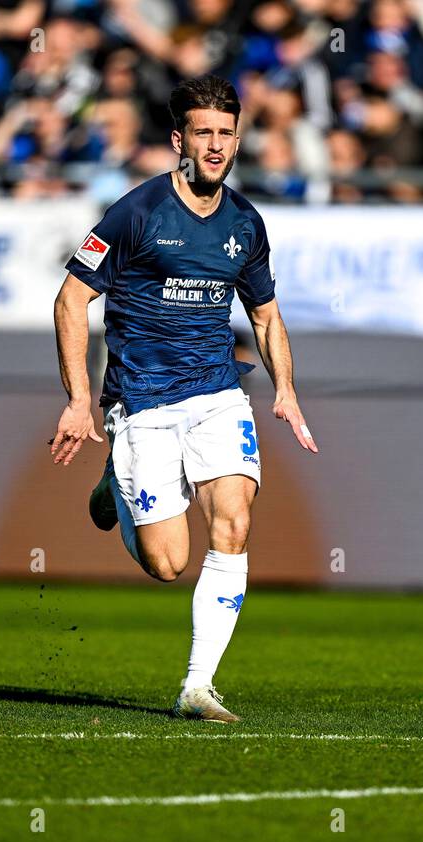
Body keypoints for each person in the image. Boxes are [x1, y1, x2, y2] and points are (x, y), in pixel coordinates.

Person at [49, 74, 318, 723]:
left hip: (219, 393)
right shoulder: (136, 212)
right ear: (180, 140)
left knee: (234, 519)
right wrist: (80, 399)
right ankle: (116, 484)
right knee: (169, 563)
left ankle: (198, 686)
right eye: (204, 132)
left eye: (227, 132)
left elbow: (265, 314)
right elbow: (72, 298)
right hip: (142, 401)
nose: (217, 144)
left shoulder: (245, 223)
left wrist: (285, 389)